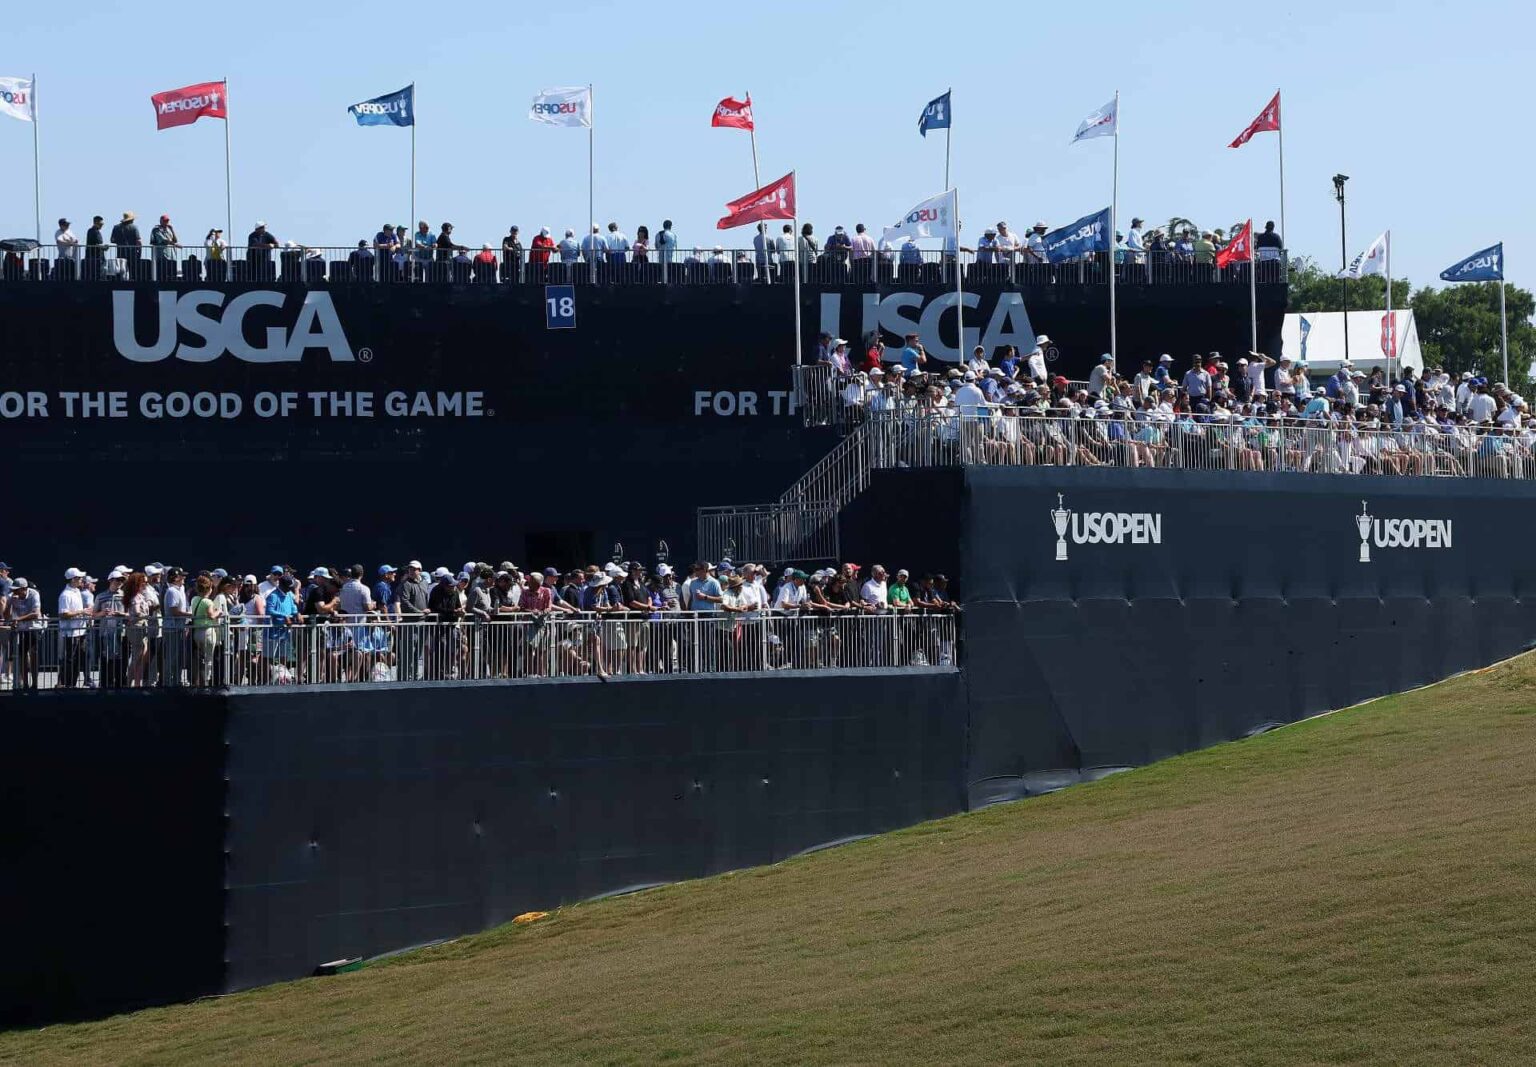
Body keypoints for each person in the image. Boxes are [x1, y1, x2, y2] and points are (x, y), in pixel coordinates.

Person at [56, 567, 90, 688]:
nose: (82, 580)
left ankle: (72, 685)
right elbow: (63, 614)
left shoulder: (77, 592)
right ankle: (65, 685)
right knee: (70, 660)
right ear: (73, 579)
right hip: (70, 634)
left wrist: (83, 613)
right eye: (80, 578)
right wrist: (82, 612)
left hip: (80, 632)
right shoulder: (65, 595)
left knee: (77, 660)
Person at [9, 579, 42, 690]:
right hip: (22, 630)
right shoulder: (13, 596)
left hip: (34, 628)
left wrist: (18, 619)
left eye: (16, 590)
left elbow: (36, 614)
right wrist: (11, 603)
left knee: (34, 656)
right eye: (14, 590)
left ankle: (35, 684)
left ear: (24, 589)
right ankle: (25, 684)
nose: (15, 593)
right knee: (22, 657)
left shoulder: (34, 594)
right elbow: (7, 615)